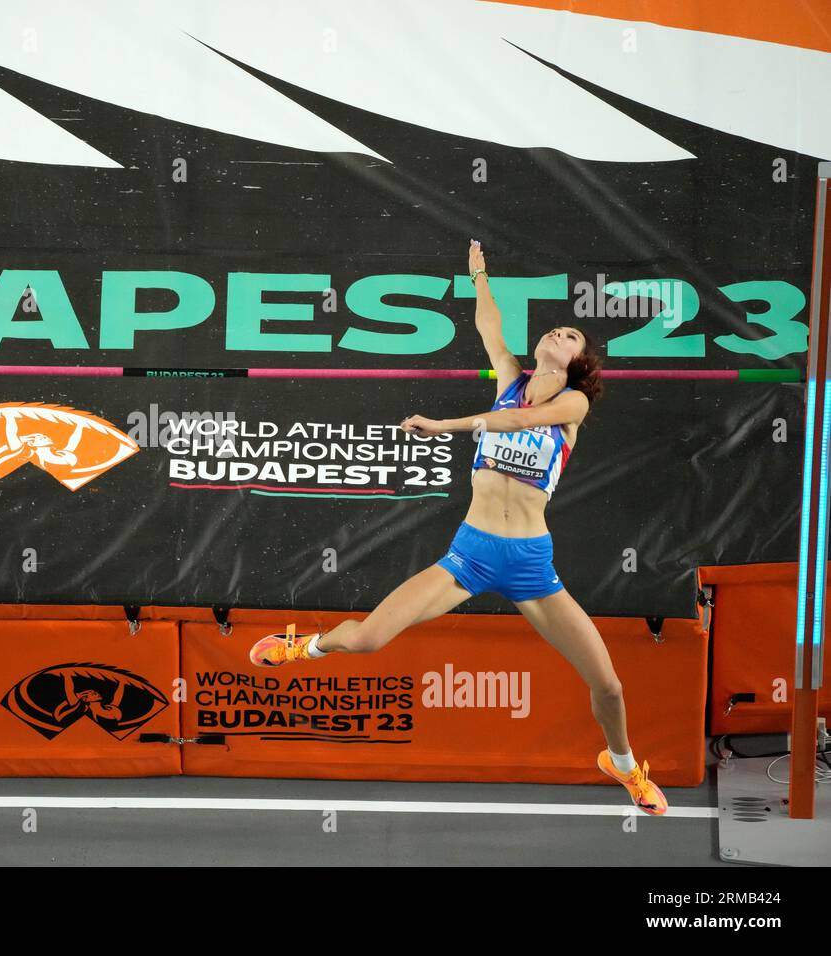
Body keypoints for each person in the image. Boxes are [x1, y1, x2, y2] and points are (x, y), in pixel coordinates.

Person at [248, 238, 667, 816]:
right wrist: (480, 277)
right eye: (554, 330)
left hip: (530, 566)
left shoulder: (573, 407)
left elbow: (519, 419)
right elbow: (490, 327)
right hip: (469, 555)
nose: (557, 334)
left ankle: (623, 767)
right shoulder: (509, 377)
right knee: (367, 639)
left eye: (570, 336)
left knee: (610, 687)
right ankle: (308, 648)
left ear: (579, 362)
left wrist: (444, 424)